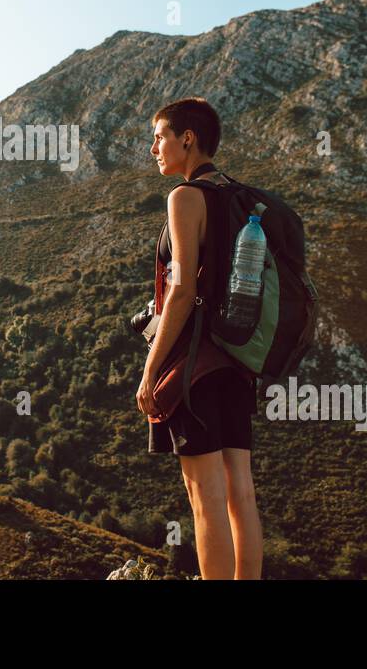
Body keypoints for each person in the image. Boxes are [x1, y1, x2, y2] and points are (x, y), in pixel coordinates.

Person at [138, 97, 262, 580]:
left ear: (187, 139)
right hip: (235, 361)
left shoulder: (185, 198)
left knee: (204, 497)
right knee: (240, 492)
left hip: (194, 367)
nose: (154, 148)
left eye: (160, 136)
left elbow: (184, 288)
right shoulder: (238, 196)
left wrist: (151, 370)